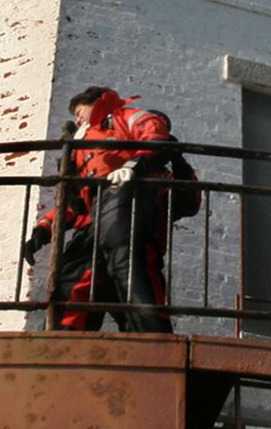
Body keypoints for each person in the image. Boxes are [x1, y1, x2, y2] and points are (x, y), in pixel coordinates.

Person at [22, 86, 175, 333]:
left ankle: (153, 337)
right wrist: (43, 230)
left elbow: (153, 131)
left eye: (80, 111)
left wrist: (136, 165)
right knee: (74, 277)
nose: (77, 119)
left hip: (126, 204)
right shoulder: (80, 148)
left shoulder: (121, 118)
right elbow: (74, 202)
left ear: (96, 103)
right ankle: (64, 342)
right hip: (94, 220)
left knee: (131, 269)